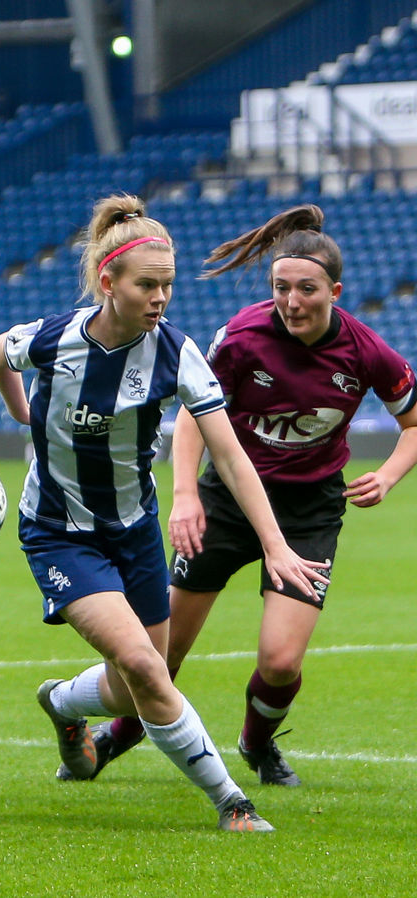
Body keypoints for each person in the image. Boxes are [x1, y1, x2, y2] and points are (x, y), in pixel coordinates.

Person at [0, 194, 329, 832]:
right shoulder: (52, 338)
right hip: (59, 534)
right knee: (146, 668)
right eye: (147, 285)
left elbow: (229, 457)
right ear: (106, 282)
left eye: (167, 286)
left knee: (130, 685)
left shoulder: (176, 352)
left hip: (135, 533)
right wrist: (20, 412)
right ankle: (233, 803)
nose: (160, 299)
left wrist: (276, 545)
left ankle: (62, 705)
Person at [73, 204, 417, 787]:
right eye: (281, 287)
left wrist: (387, 475)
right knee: (162, 653)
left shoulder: (366, 351)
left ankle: (257, 746)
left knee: (281, 662)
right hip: (225, 503)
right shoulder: (242, 335)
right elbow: (190, 414)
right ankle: (116, 736)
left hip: (309, 511)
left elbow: (414, 423)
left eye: (307, 289)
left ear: (334, 290)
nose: (292, 302)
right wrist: (187, 494)